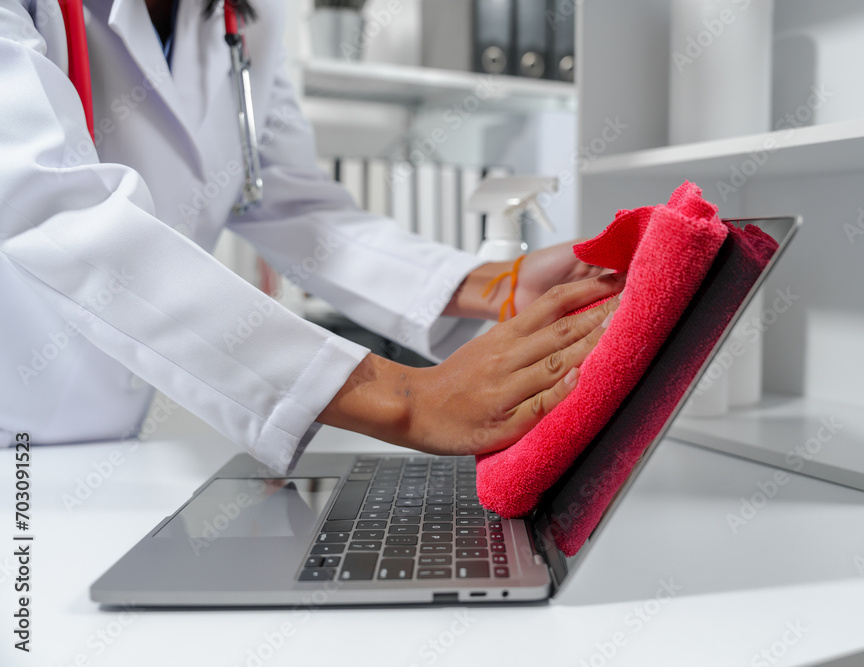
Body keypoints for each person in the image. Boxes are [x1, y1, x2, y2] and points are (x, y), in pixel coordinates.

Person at [0, 0, 622, 473]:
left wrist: (497, 284)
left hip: (108, 450)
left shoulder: (244, 16)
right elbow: (54, 211)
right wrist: (406, 399)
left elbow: (295, 206)